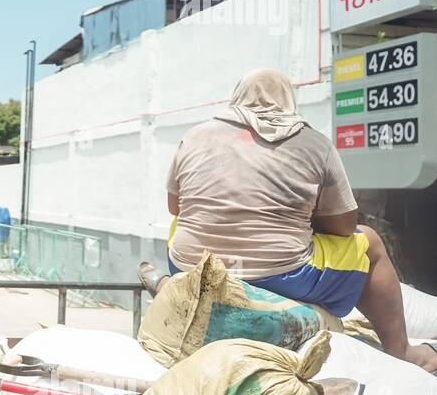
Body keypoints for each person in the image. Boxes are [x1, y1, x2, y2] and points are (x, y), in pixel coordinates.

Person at [141, 68, 437, 372]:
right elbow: (345, 227)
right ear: (288, 101)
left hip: (191, 264)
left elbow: (174, 206)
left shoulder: (194, 136)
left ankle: (172, 285)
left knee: (181, 223)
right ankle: (400, 350)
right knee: (370, 243)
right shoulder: (314, 144)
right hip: (280, 274)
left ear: (237, 97)